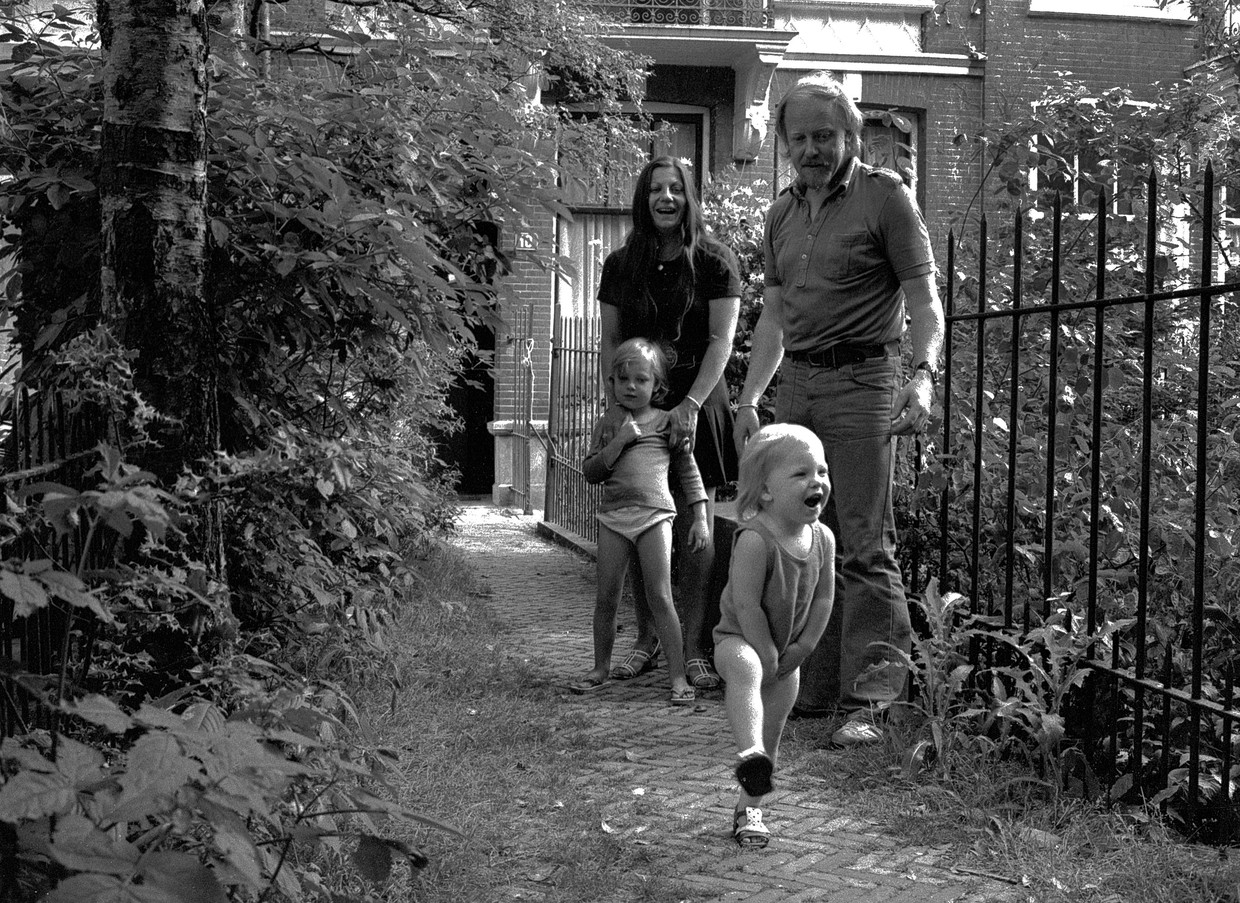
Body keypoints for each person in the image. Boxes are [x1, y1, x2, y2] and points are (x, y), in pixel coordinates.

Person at [732, 72, 945, 747]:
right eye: (801, 138)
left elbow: (924, 302)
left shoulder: (886, 200)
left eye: (825, 136)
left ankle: (873, 700)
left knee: (862, 542)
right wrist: (751, 395)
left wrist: (924, 373)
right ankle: (814, 689)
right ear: (787, 145)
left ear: (850, 135)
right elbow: (773, 316)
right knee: (798, 540)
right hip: (798, 385)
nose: (813, 149)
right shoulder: (781, 214)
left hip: (863, 381)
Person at [598, 155, 742, 692]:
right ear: (644, 198)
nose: (665, 198)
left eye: (675, 189)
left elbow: (720, 341)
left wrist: (692, 404)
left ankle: (699, 644)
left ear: (688, 198)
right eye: (655, 189)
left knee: (694, 523)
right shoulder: (619, 265)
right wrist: (615, 404)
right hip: (638, 411)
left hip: (698, 407)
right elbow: (610, 342)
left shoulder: (714, 261)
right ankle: (646, 639)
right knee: (639, 517)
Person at [713, 424, 835, 848]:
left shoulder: (823, 539)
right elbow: (746, 605)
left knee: (774, 739)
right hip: (738, 640)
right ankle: (748, 753)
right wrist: (764, 651)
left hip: (786, 657)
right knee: (746, 668)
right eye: (800, 474)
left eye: (821, 471)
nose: (816, 481)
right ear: (764, 491)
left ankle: (750, 810)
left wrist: (801, 648)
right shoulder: (754, 539)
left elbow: (822, 601)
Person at [570, 338, 710, 705]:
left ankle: (678, 677)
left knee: (661, 595)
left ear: (657, 386)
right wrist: (618, 441)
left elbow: (689, 473)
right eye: (623, 379)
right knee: (607, 598)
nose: (631, 386)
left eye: (641, 380)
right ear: (612, 382)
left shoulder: (668, 423)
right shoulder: (608, 423)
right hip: (614, 518)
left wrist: (699, 518)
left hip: (655, 517)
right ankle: (600, 669)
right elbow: (591, 471)